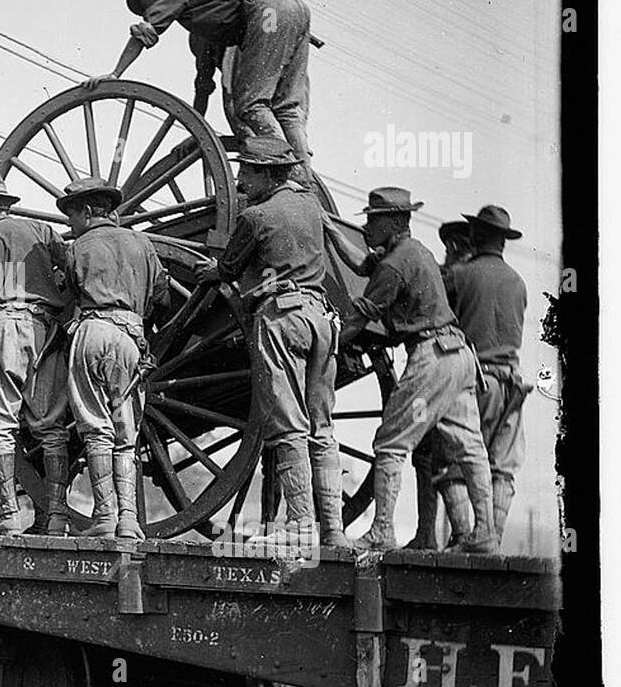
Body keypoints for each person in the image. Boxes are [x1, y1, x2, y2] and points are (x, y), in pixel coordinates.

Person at [326, 188, 497, 553]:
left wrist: (328, 348)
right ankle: (485, 534)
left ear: (393, 222)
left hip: (430, 356)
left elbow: (358, 317)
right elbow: (360, 263)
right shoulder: (416, 252)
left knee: (390, 442)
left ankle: (382, 531)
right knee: (470, 447)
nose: (367, 225)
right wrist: (331, 231)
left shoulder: (393, 266)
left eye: (373, 219)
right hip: (460, 357)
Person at [199, 136, 346, 547]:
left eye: (247, 171)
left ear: (266, 174)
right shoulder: (311, 208)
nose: (240, 179)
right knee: (322, 426)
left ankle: (299, 530)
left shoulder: (257, 216)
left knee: (287, 426)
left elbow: (227, 269)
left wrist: (209, 270)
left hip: (281, 317)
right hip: (320, 319)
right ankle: (332, 530)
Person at [86, 0, 315, 171]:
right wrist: (197, 131)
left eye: (148, 7)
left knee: (250, 104)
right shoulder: (204, 20)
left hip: (269, 12)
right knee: (287, 110)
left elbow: (146, 31)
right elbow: (203, 87)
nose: (151, 13)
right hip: (294, 8)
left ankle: (285, 169)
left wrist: (115, 73)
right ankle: (305, 180)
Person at [59, 176, 168, 539]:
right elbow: (161, 297)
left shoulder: (77, 247)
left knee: (96, 429)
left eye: (72, 217)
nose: (70, 226)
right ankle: (130, 522)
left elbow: (71, 295)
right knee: (126, 434)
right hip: (131, 338)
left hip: (93, 331)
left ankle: (105, 517)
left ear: (88, 212)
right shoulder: (142, 242)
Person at [0, 175, 71, 535]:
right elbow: (70, 265)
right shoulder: (40, 229)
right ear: (7, 203)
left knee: (0, 424)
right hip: (44, 325)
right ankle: (57, 515)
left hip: (2, 323)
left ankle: (9, 513)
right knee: (51, 426)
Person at [444, 205, 531, 548]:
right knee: (503, 465)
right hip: (513, 384)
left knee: (451, 460)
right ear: (504, 241)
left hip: (475, 381)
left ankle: (465, 535)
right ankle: (491, 540)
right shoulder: (518, 282)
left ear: (477, 236)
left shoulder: (461, 275)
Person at [407, 219, 476, 550]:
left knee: (429, 453)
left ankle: (432, 534)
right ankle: (456, 535)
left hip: (442, 374)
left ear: (453, 248)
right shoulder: (477, 278)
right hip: (470, 375)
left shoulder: (453, 279)